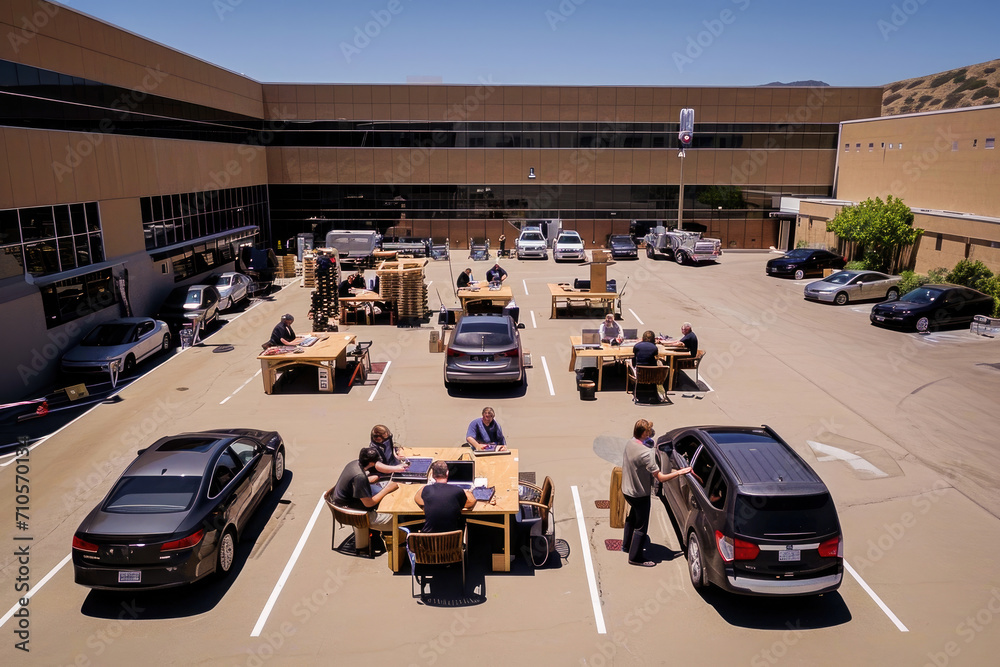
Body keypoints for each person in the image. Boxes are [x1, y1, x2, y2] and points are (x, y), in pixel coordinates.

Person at [622, 420, 692, 567]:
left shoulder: (630, 443)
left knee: (632, 517)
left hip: (627, 490)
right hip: (639, 494)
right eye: (649, 430)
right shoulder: (647, 454)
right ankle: (635, 557)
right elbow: (660, 478)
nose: (651, 432)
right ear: (644, 433)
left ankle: (626, 545)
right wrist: (680, 472)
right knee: (641, 527)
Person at [332, 447, 399, 551]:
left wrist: (367, 480)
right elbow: (369, 503)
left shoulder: (354, 464)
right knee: (396, 518)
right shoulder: (360, 477)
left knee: (381, 492)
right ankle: (380, 540)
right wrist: (388, 489)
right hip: (349, 511)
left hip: (344, 501)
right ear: (372, 463)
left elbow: (355, 481)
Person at [414, 460, 476, 532]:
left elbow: (417, 498)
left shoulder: (427, 490)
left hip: (429, 540)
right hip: (452, 540)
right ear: (447, 473)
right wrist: (465, 491)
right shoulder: (457, 491)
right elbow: (472, 502)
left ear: (433, 475)